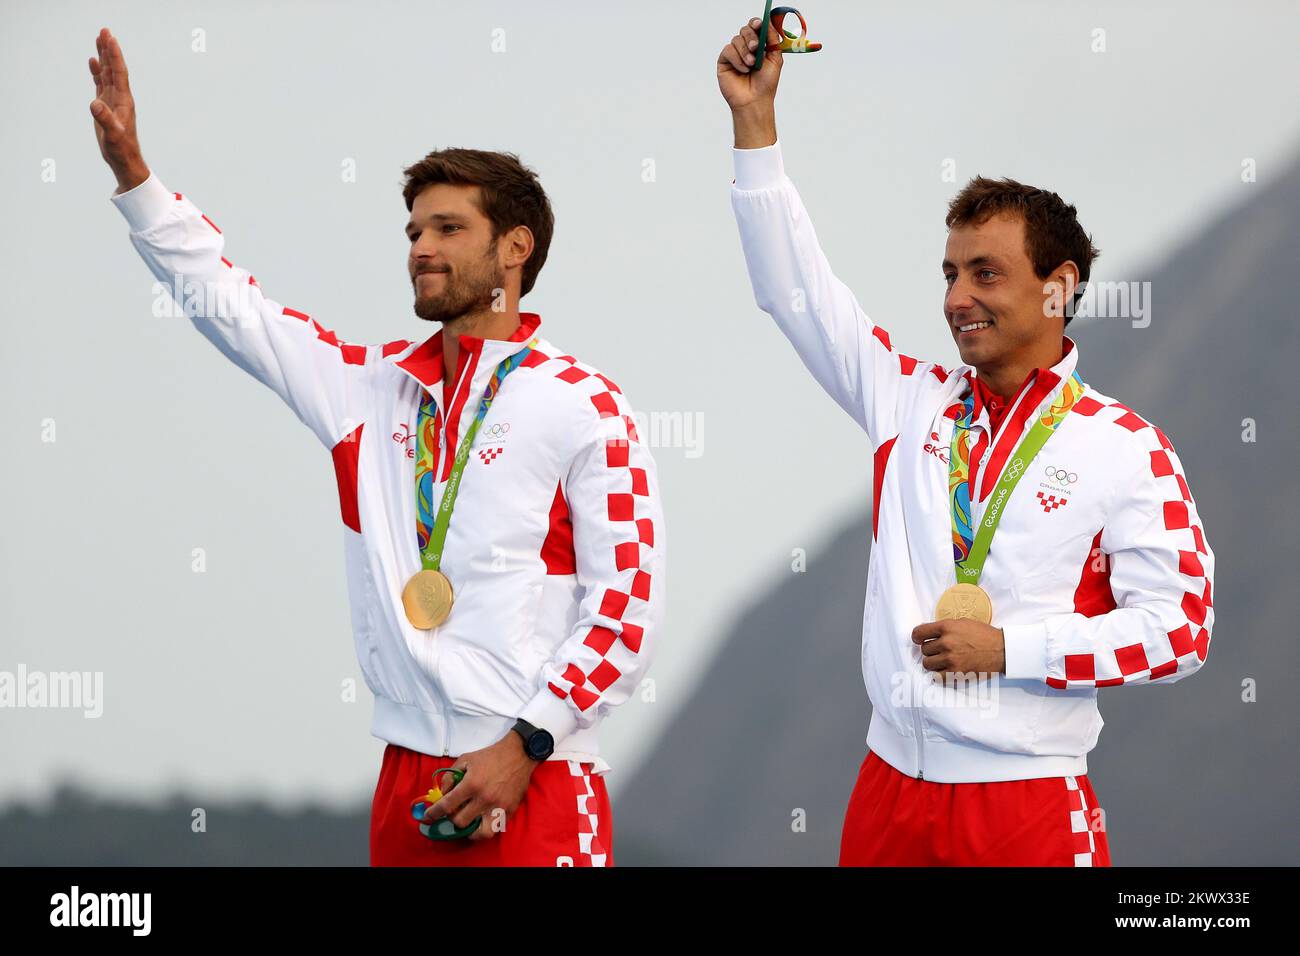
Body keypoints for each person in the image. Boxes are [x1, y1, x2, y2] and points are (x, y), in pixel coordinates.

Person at [90, 26, 664, 867]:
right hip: (406, 781)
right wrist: (137, 181)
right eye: (412, 232)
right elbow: (234, 306)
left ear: (515, 248)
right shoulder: (366, 388)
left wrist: (526, 744)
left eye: (447, 229)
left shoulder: (584, 403)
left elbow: (628, 605)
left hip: (532, 775)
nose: (421, 249)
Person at [717, 18, 1214, 866]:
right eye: (949, 274)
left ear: (1058, 289)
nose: (957, 299)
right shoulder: (908, 401)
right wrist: (753, 126)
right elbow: (795, 293)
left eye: (986, 273)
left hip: (1025, 805)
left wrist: (1013, 651)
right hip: (886, 794)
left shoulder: (1126, 447)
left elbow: (1182, 631)